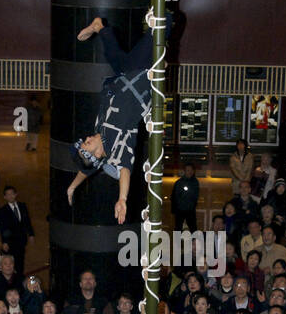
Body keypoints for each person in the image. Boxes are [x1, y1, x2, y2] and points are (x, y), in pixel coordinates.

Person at [66, 14, 172, 222]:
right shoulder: (116, 148)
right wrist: (122, 198)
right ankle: (156, 30)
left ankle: (100, 28)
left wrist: (72, 186)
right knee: (164, 22)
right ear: (96, 154)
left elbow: (88, 168)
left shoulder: (98, 143)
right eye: (86, 145)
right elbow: (124, 170)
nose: (86, 139)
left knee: (117, 56)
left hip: (122, 75)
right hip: (139, 75)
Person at [0, 186, 35, 276]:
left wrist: (31, 234)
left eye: (12, 194)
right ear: (4, 197)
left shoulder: (22, 206)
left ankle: (20, 278)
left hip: (21, 240)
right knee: (10, 263)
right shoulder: (2, 211)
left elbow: (27, 221)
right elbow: (2, 228)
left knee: (20, 261)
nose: (10, 196)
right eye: (8, 195)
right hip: (10, 242)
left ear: (16, 194)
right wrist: (4, 242)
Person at [171, 162, 200, 232]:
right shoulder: (179, 183)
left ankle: (195, 242)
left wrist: (193, 205)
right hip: (180, 209)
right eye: (188, 170)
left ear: (193, 171)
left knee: (193, 228)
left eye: (191, 170)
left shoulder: (195, 182)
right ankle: (177, 243)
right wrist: (175, 209)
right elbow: (174, 196)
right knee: (178, 229)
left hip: (190, 209)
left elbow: (195, 196)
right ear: (184, 171)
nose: (189, 172)